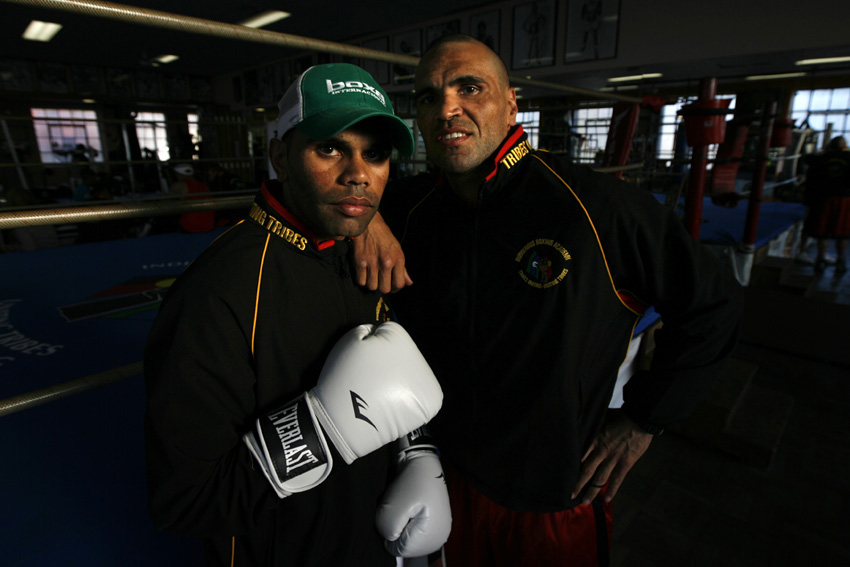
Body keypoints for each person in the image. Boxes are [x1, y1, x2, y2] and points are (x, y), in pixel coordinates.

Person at [353, 34, 744, 566]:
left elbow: (714, 305)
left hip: (555, 499)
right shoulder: (408, 210)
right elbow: (323, 200)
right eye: (428, 96)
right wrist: (366, 218)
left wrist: (643, 419)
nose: (447, 109)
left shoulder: (595, 207)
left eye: (470, 88)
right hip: (444, 482)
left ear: (511, 103)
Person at [145, 63, 449, 567]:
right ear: (280, 158)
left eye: (374, 154)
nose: (357, 174)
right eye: (330, 148)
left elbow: (387, 386)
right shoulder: (216, 295)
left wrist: (416, 451)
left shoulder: (360, 253)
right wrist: (320, 429)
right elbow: (187, 500)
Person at [802, 135, 850, 274]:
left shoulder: (822, 158)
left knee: (822, 231)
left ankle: (821, 259)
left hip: (824, 198)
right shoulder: (848, 158)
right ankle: (840, 261)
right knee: (842, 233)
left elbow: (808, 160)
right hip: (844, 199)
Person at [169, 163, 216, 233]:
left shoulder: (179, 186)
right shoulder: (203, 185)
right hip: (209, 225)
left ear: (178, 174)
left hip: (191, 227)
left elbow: (165, 201)